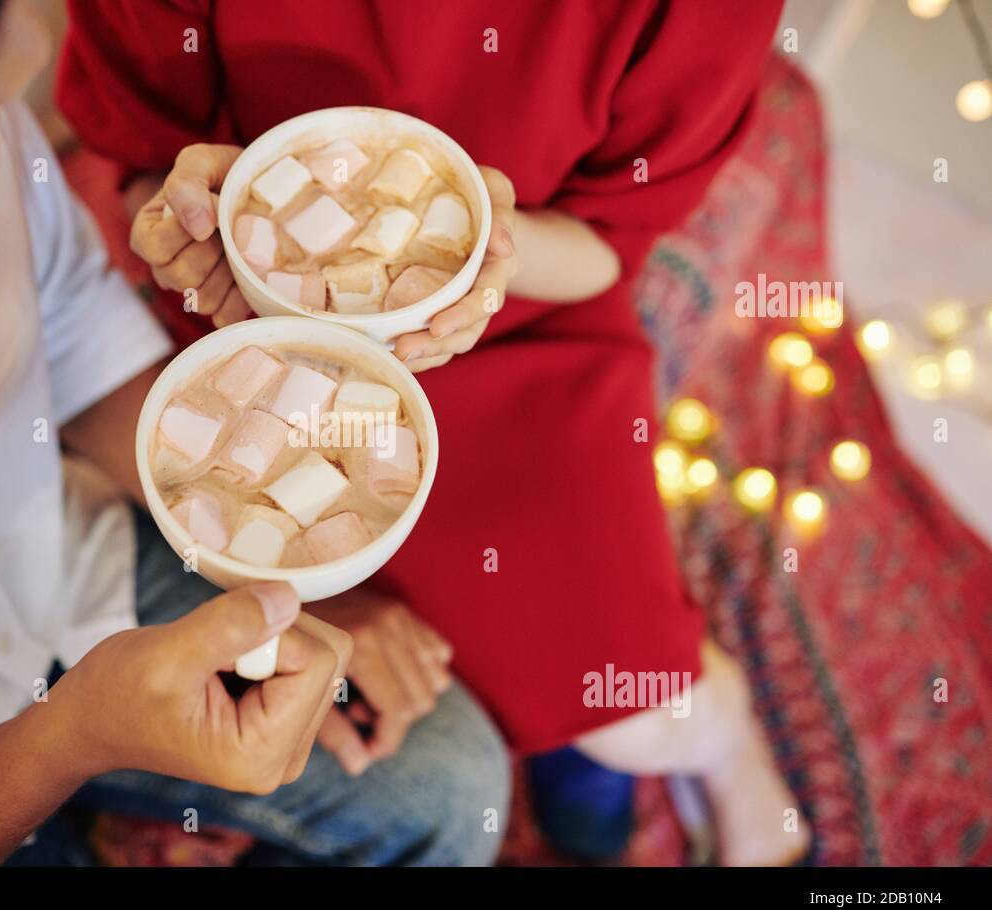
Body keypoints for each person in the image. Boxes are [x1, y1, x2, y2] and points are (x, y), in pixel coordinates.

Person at [0, 0, 509, 867]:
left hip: (67, 573)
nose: (32, 49)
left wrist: (286, 562)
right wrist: (67, 741)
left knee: (453, 789)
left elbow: (74, 325)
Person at [57, 0, 810, 864]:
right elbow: (146, 162)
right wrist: (192, 228)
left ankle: (703, 737)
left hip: (526, 325)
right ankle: (577, 744)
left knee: (641, 715)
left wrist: (492, 251)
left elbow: (609, 240)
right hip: (263, 345)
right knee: (417, 649)